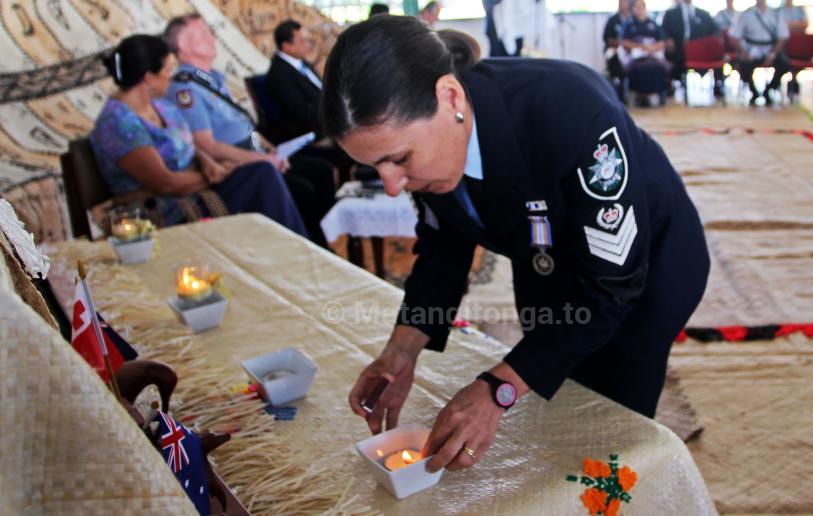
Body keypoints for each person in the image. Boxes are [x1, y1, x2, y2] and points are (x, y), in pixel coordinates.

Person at [322, 18, 709, 473]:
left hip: (644, 268)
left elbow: (611, 287)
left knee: (611, 427)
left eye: (400, 159)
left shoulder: (570, 110)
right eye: (375, 167)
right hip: (546, 260)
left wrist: (496, 390)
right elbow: (445, 245)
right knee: (553, 392)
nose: (391, 186)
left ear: (450, 98)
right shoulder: (432, 143)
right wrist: (401, 351)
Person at [90, 35, 307, 236]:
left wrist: (206, 162)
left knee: (265, 174)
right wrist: (219, 173)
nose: (171, 76)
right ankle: (297, 254)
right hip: (168, 210)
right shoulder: (118, 124)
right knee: (263, 178)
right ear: (148, 78)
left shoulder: (160, 105)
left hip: (197, 191)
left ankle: (295, 251)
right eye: (167, 70)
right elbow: (165, 184)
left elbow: (188, 144)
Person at [163, 13, 335, 246]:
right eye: (204, 34)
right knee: (303, 190)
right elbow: (206, 145)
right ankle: (306, 250)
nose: (213, 37)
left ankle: (321, 246)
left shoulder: (212, 79)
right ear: (184, 45)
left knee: (320, 172)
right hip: (235, 168)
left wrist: (271, 150)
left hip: (256, 154)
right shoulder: (185, 89)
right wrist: (264, 159)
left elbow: (243, 125)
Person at [730, 0, 791, 106]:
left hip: (770, 49)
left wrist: (772, 54)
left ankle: (769, 89)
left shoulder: (776, 14)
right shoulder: (746, 14)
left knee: (784, 64)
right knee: (742, 64)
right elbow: (734, 36)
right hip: (751, 49)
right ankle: (753, 91)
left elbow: (783, 37)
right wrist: (744, 52)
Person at [661, 0, 720, 95]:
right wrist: (668, 39)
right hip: (679, 49)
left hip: (701, 50)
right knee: (671, 58)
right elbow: (664, 31)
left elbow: (715, 31)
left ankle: (717, 88)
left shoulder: (704, 14)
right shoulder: (671, 14)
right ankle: (671, 84)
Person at [621, 0, 670, 105]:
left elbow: (661, 41)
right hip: (636, 55)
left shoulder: (653, 23)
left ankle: (657, 93)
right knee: (638, 69)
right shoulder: (629, 24)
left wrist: (652, 48)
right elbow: (624, 42)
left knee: (658, 67)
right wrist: (641, 47)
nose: (639, 9)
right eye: (637, 7)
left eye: (641, 6)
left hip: (652, 54)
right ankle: (638, 94)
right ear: (633, 9)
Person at [603, 0, 634, 98]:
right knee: (613, 58)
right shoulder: (613, 20)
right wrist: (621, 43)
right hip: (615, 49)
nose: (622, 5)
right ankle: (618, 89)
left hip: (631, 50)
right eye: (620, 2)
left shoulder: (634, 19)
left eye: (624, 2)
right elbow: (606, 38)